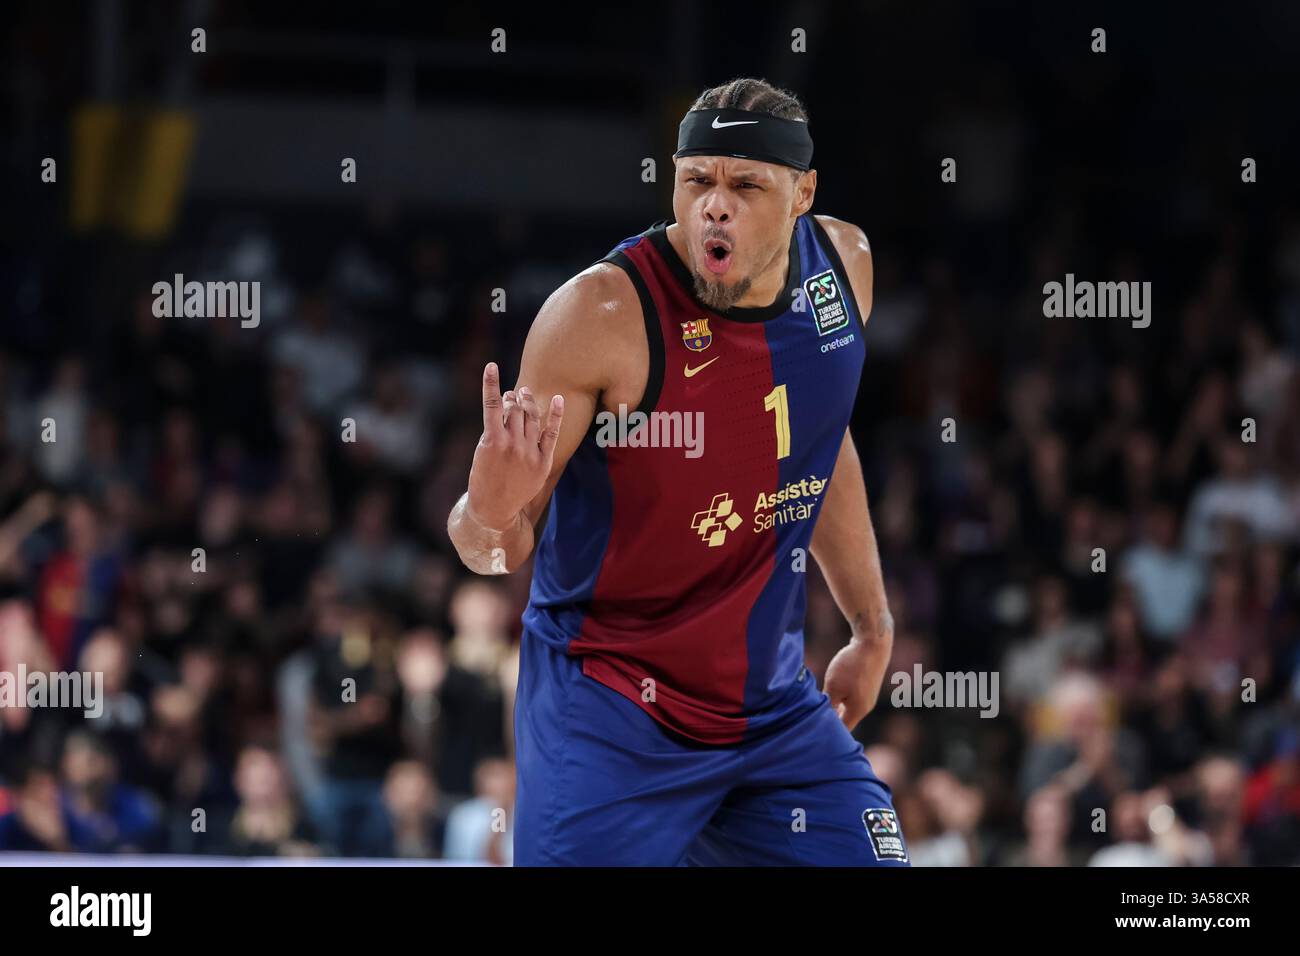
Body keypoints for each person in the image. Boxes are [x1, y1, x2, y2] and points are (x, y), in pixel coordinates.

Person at [448, 78, 905, 866]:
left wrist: (870, 625)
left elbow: (819, 447)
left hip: (766, 710)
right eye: (697, 181)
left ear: (803, 194)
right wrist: (488, 511)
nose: (713, 208)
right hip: (611, 709)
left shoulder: (844, 265)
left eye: (744, 185)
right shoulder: (600, 316)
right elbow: (494, 546)